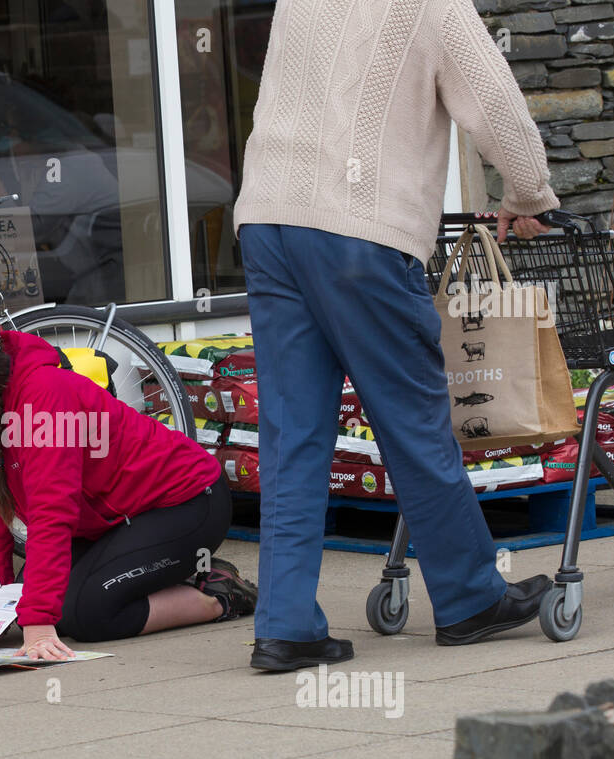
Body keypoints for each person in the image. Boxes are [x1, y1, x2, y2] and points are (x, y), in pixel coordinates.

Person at [233, 0, 560, 672]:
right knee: (412, 422)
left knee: (292, 434)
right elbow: (496, 102)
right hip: (360, 234)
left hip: (268, 222)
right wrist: (529, 195)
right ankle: (470, 598)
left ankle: (286, 627)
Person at [0, 297, 258, 661]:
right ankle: (156, 576)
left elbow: (51, 510)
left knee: (88, 613)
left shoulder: (44, 393)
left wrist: (38, 622)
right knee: (24, 601)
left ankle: (217, 593)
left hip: (187, 504)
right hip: (114, 520)